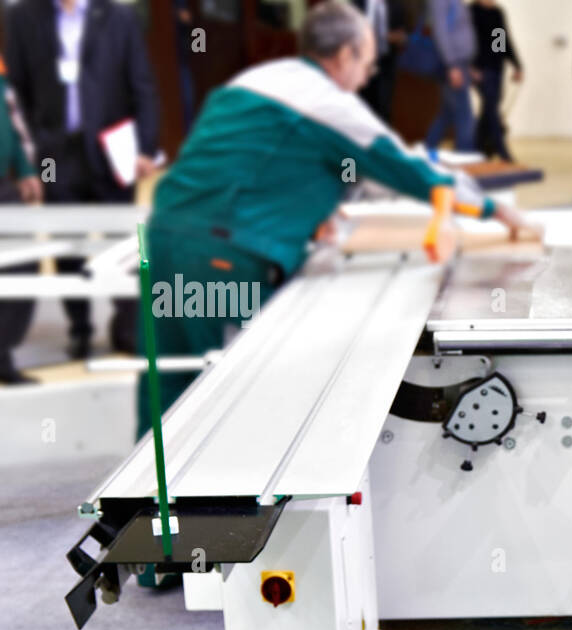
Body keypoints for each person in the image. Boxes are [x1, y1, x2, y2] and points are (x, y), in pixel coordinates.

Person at [142, 0, 531, 435]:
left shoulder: (257, 81)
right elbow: (409, 169)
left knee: (170, 385)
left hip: (166, 238)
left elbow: (251, 165)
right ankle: (214, 494)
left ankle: (141, 499)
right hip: (222, 259)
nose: (367, 74)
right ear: (344, 55)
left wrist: (308, 208)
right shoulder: (330, 105)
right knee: (225, 397)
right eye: (367, 61)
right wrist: (498, 210)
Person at [3, 0, 160, 359]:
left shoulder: (119, 15)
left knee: (122, 241)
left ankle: (127, 327)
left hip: (111, 146)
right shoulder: (23, 16)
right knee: (66, 241)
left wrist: (146, 147)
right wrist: (33, 152)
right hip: (56, 152)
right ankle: (80, 327)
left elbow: (142, 84)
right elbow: (18, 89)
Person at [0, 53, 42, 385]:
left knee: (24, 264)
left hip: (4, 185)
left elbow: (12, 118)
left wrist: (27, 169)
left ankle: (2, 352)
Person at [469, 0, 521, 162]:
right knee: (491, 109)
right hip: (480, 70)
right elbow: (468, 42)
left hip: (496, 68)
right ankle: (502, 150)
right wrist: (471, 66)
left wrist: (516, 65)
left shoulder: (497, 13)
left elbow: (501, 41)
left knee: (489, 108)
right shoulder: (471, 12)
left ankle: (477, 148)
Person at [422, 0, 476, 153]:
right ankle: (466, 158)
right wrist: (452, 65)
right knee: (465, 115)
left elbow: (460, 30)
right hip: (453, 63)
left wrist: (468, 64)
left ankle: (426, 151)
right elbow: (441, 32)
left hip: (461, 63)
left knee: (447, 113)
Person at [351, 0, 408, 122]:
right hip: (362, 64)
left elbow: (404, 35)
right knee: (362, 106)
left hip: (386, 63)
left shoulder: (396, 5)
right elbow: (349, 32)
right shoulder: (357, 3)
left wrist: (397, 38)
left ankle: (382, 137)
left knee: (384, 107)